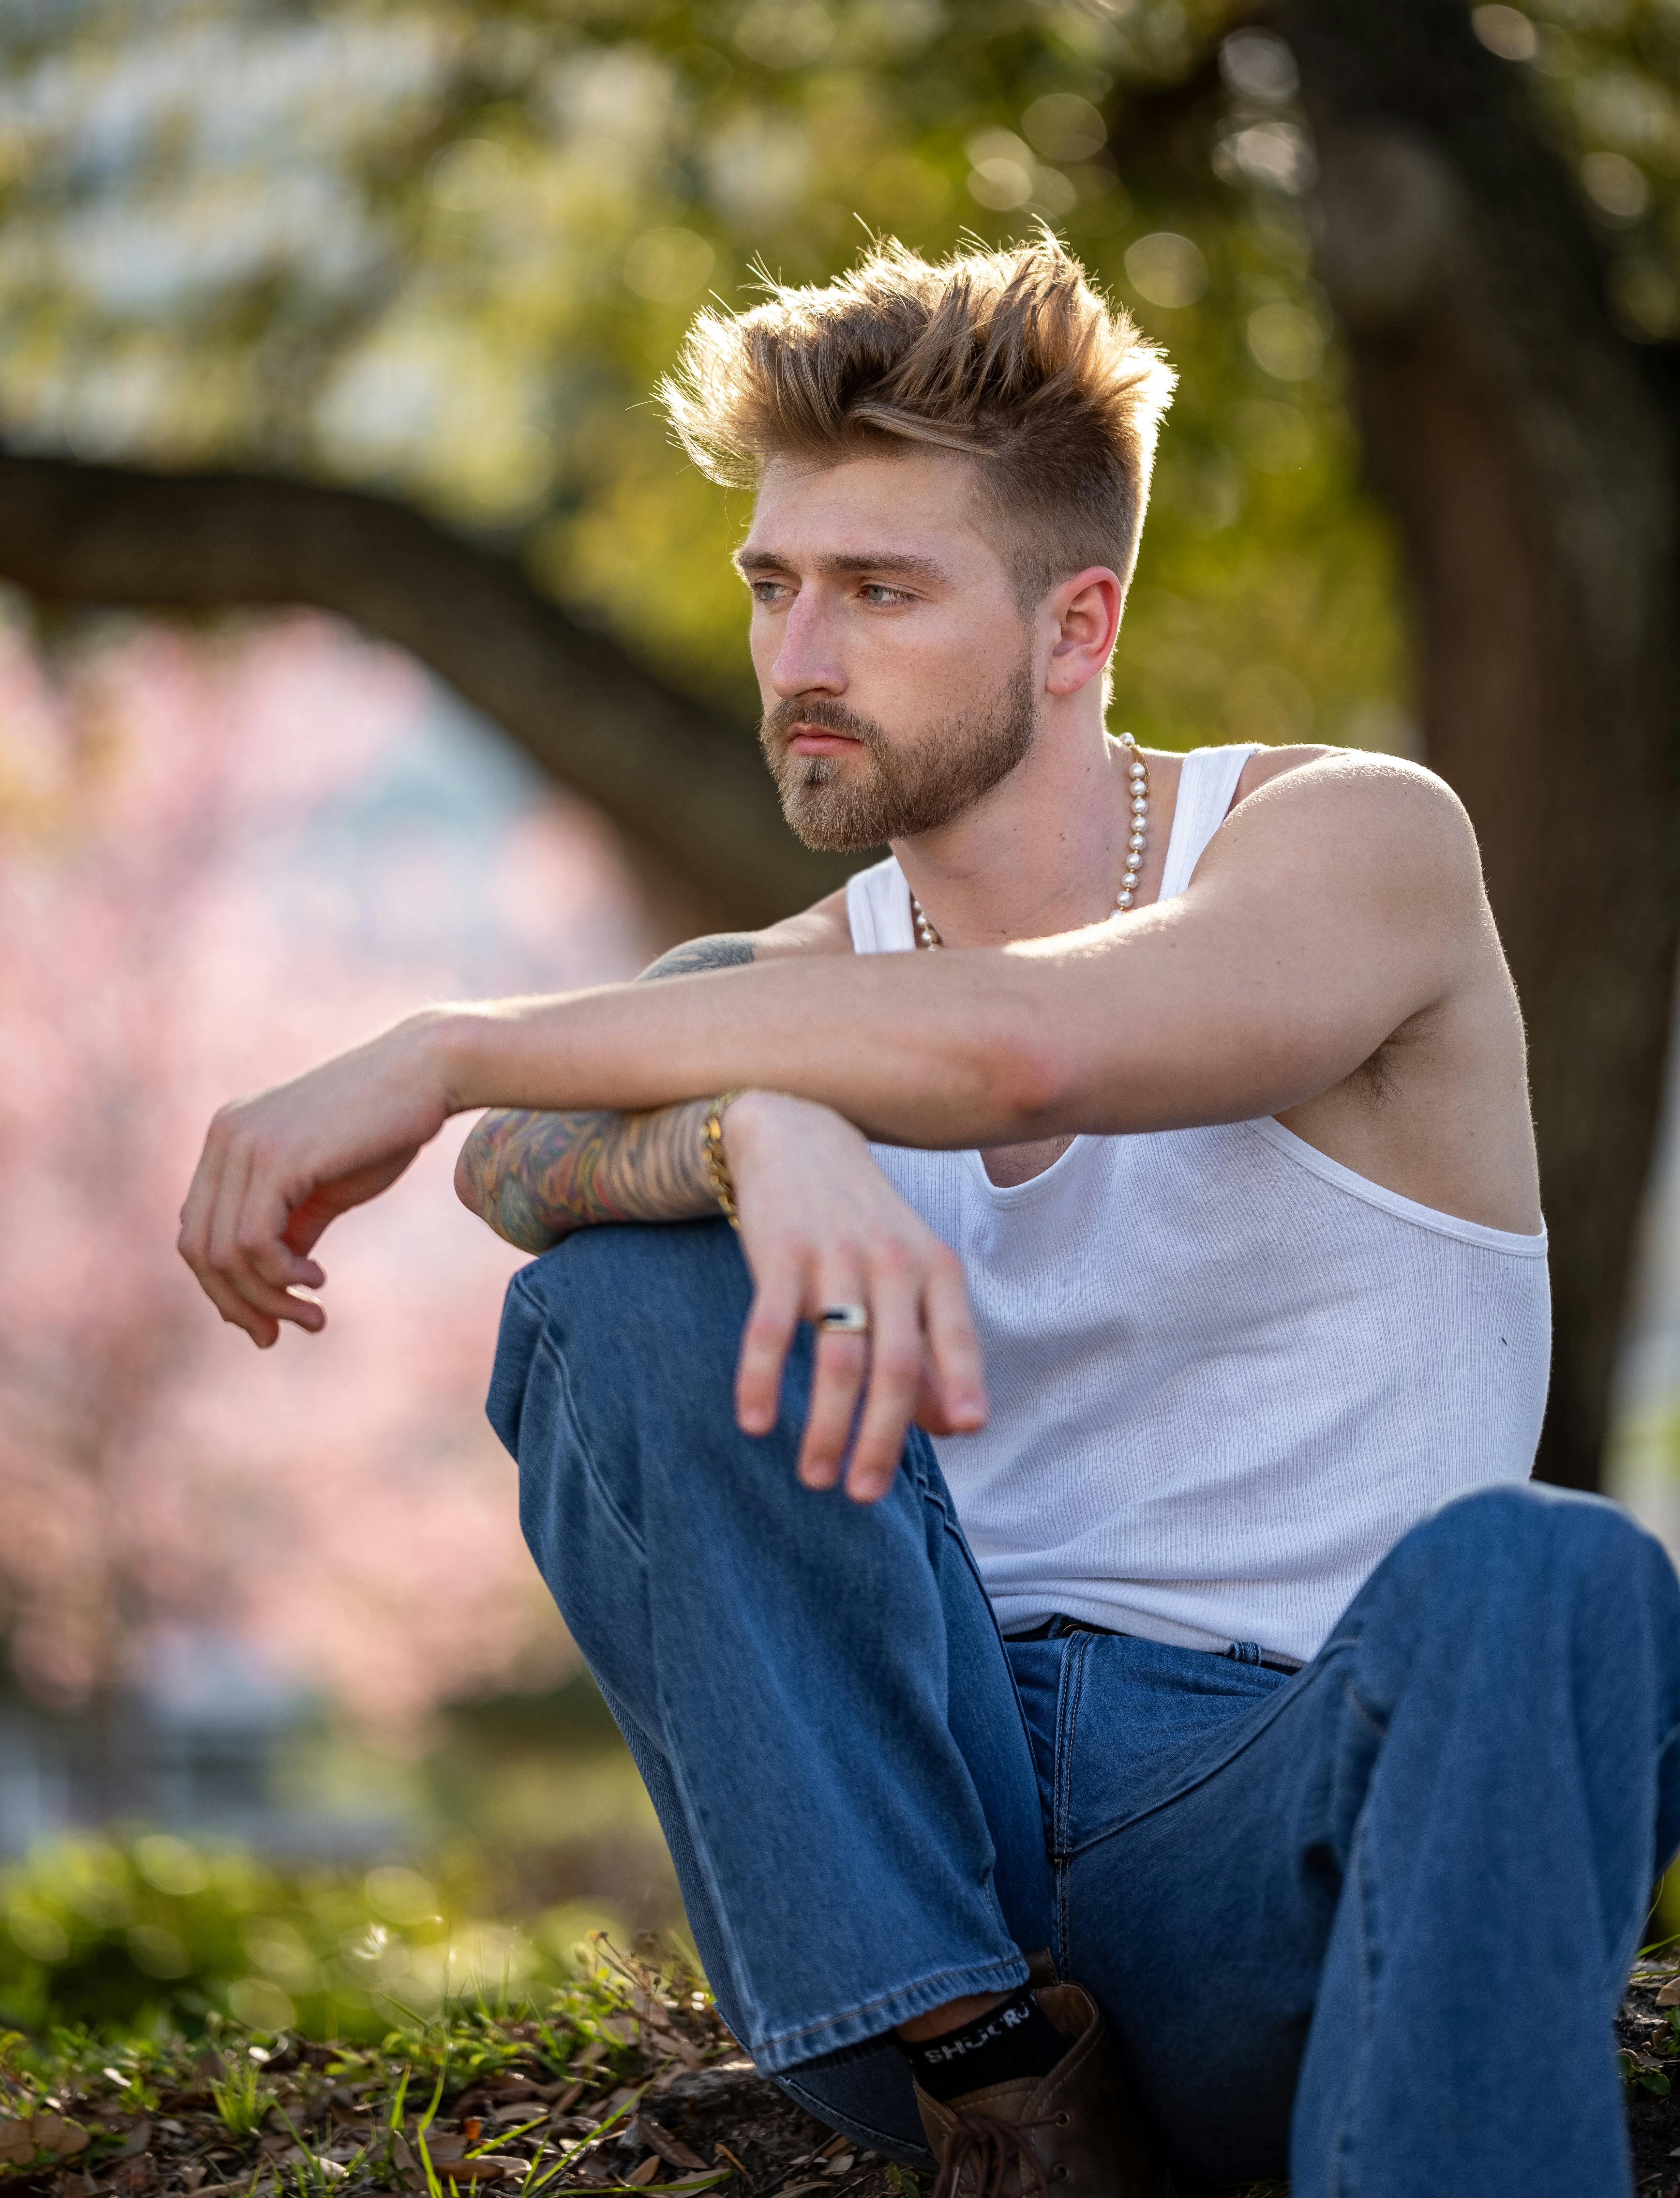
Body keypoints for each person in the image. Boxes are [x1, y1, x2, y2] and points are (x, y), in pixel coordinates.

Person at [180, 234, 1680, 2198]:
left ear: (1078, 630)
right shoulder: (776, 982)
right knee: (618, 1305)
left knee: (1552, 1574)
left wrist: (453, 1039)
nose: (801, 659)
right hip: (935, 1853)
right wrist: (750, 1138)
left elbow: (1035, 1050)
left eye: (880, 591)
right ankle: (1001, 2089)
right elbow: (521, 1173)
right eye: (775, 586)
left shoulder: (1350, 846)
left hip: (1297, 1824)